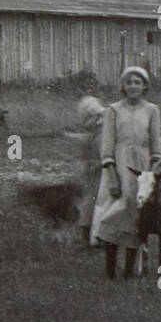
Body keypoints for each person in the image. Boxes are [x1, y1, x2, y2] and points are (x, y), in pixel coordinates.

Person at [92, 67, 161, 278]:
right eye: (129, 82)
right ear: (122, 86)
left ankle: (130, 271)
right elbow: (106, 147)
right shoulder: (113, 110)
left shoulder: (152, 110)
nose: (133, 86)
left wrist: (151, 177)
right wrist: (112, 174)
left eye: (137, 82)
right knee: (114, 216)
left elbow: (156, 147)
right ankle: (110, 272)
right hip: (120, 168)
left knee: (136, 216)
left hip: (142, 170)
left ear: (144, 86)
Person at [75, 96, 105, 246]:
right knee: (88, 203)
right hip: (91, 176)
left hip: (101, 176)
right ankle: (87, 235)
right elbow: (86, 154)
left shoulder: (103, 135)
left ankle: (94, 237)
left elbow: (107, 156)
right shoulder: (92, 135)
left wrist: (97, 164)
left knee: (96, 204)